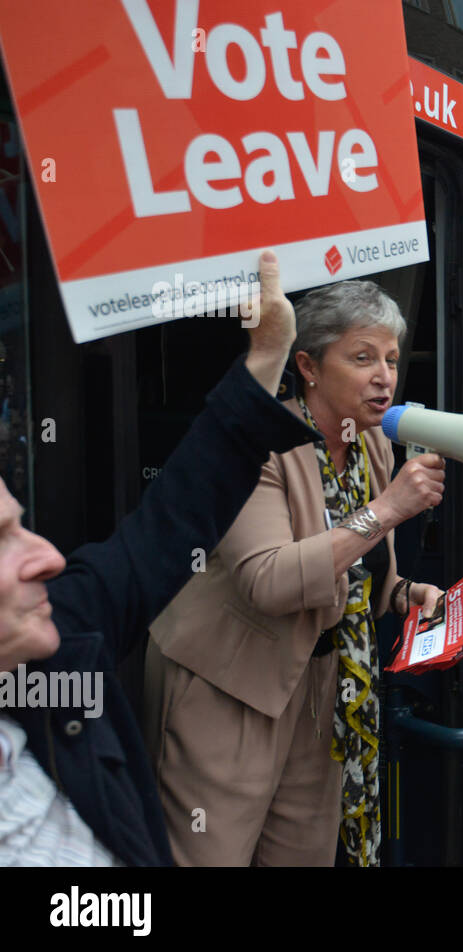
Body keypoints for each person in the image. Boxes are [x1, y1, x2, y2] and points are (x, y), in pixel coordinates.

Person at [0, 251, 318, 865]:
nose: (46, 556)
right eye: (5, 541)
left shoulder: (58, 640)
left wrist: (265, 355)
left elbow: (168, 526)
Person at [149, 279, 448, 867]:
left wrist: (404, 594)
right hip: (231, 686)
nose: (384, 375)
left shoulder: (372, 448)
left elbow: (361, 571)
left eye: (391, 358)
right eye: (362, 358)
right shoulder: (256, 445)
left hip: (324, 690)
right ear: (307, 366)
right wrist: (386, 510)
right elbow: (271, 581)